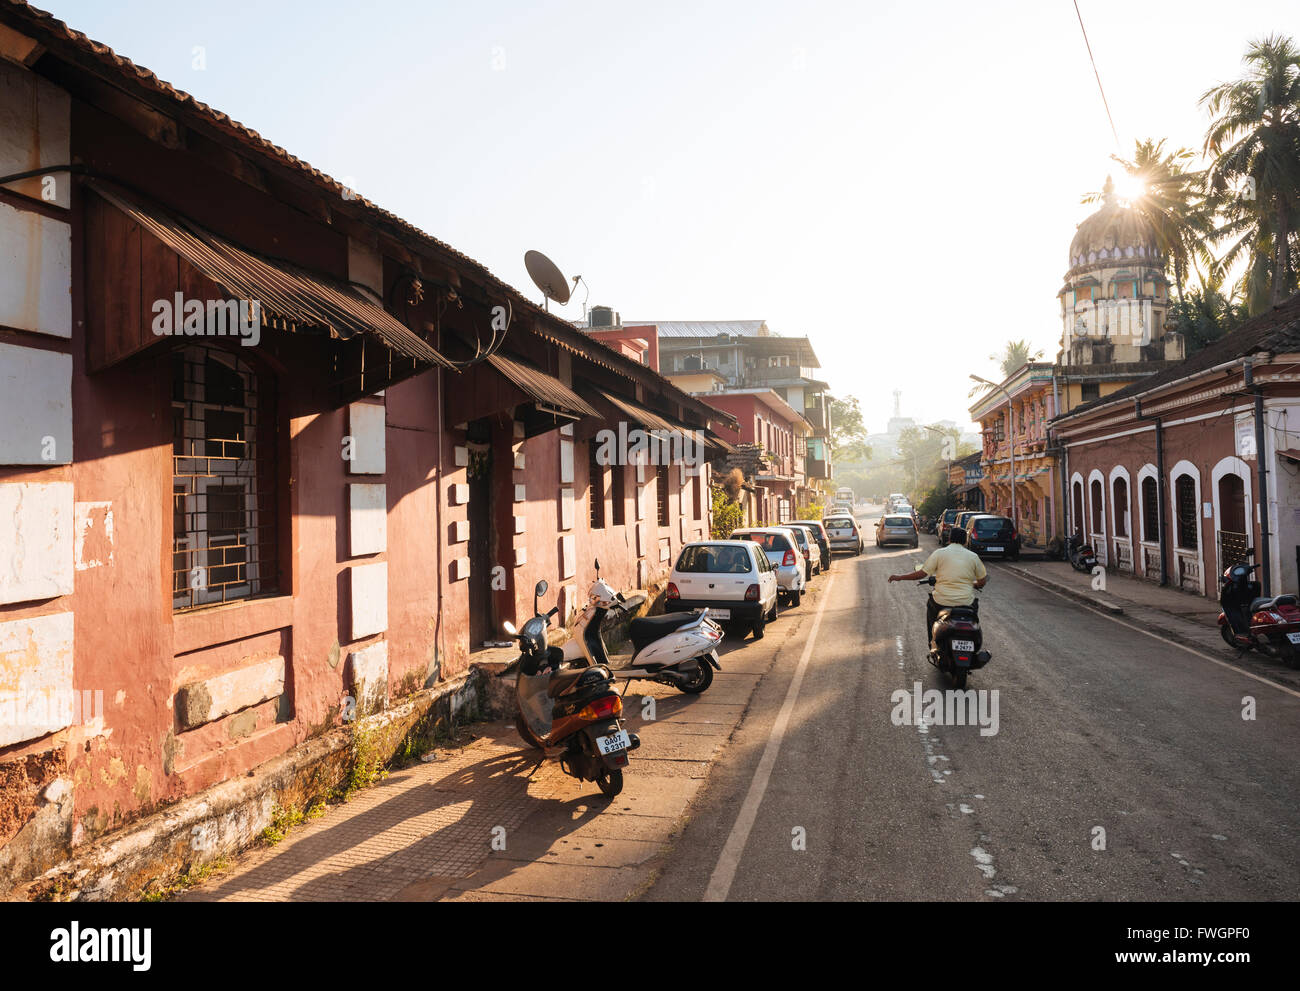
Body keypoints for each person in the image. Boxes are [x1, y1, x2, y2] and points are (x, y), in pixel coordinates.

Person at [887, 527, 987, 647]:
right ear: (965, 541)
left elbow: (921, 574)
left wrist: (900, 577)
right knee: (973, 617)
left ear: (949, 539)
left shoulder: (939, 553)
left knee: (932, 613)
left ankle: (933, 643)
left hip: (941, 601)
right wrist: (974, 584)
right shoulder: (973, 556)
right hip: (966, 602)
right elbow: (982, 581)